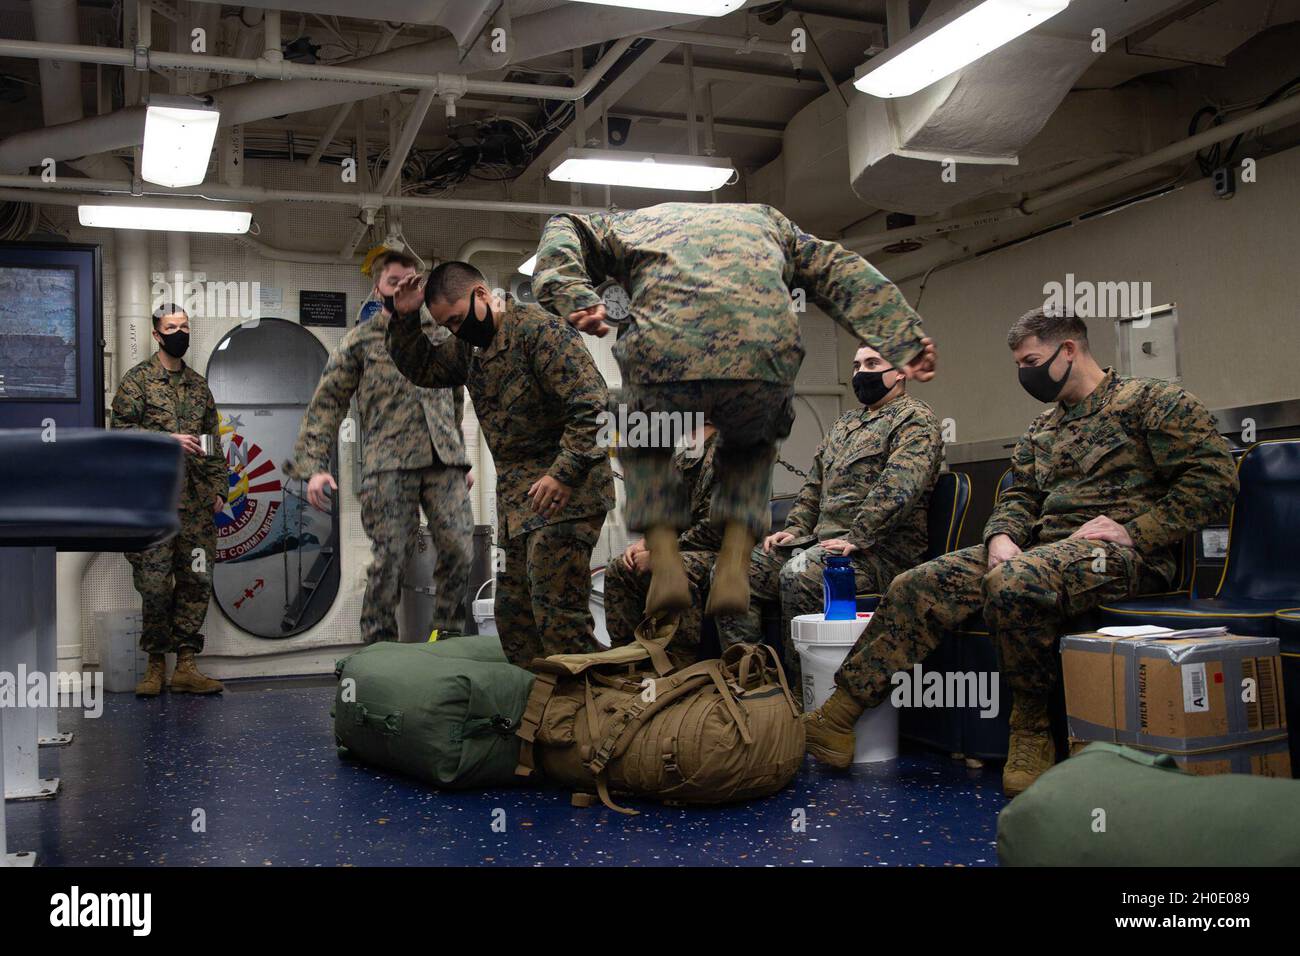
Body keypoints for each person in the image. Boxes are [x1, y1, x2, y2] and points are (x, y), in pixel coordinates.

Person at [803, 307, 1239, 795]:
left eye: (1030, 360)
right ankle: (839, 713)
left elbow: (1216, 480)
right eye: (1018, 364)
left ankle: (1030, 731)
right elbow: (1018, 496)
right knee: (918, 583)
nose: (1023, 374)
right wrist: (1001, 536)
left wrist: (1136, 530)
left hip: (1121, 556)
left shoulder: (1151, 402)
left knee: (1015, 582)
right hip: (1042, 551)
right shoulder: (1042, 428)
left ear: (1068, 350)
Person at [531, 202, 936, 626]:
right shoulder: (772, 222)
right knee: (750, 447)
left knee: (640, 435)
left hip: (666, 352)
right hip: (761, 354)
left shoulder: (626, 224)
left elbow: (563, 226)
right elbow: (841, 270)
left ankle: (665, 551)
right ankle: (735, 556)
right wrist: (903, 336)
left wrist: (571, 294)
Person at [385, 261, 614, 667]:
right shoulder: (470, 347)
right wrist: (404, 317)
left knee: (558, 618)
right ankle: (540, 710)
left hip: (568, 496)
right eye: (446, 325)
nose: (455, 330)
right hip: (518, 504)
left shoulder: (539, 332)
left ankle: (593, 716)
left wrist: (563, 474)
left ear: (481, 295)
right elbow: (424, 369)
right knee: (514, 618)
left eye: (456, 319)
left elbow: (595, 411)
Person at [716, 344, 943, 694]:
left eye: (871, 363)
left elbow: (900, 487)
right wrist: (794, 530)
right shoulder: (845, 425)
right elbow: (813, 486)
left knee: (801, 575)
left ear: (900, 372)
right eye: (855, 365)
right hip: (823, 546)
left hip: (878, 554)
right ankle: (753, 684)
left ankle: (800, 695)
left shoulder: (915, 419)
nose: (860, 373)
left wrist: (859, 535)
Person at [286, 250, 473, 645]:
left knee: (459, 550)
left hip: (444, 462)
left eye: (411, 282)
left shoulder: (441, 334)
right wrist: (314, 466)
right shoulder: (360, 340)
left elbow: (454, 398)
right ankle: (378, 646)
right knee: (391, 559)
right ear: (378, 288)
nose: (404, 289)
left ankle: (448, 640)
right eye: (395, 283)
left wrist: (461, 456)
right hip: (389, 465)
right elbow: (327, 403)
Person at [110, 303, 227, 696]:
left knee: (195, 582)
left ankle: (186, 666)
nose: (180, 332)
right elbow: (119, 436)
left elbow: (212, 442)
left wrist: (219, 490)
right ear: (157, 335)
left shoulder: (198, 386)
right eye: (172, 327)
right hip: (154, 503)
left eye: (185, 326)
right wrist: (165, 441)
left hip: (195, 504)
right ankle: (155, 665)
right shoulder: (137, 382)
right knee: (155, 585)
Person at [604, 423, 719, 669]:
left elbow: (714, 529)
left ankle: (680, 667)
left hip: (720, 552)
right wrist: (644, 542)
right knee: (619, 568)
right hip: (685, 547)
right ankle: (627, 662)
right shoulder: (684, 460)